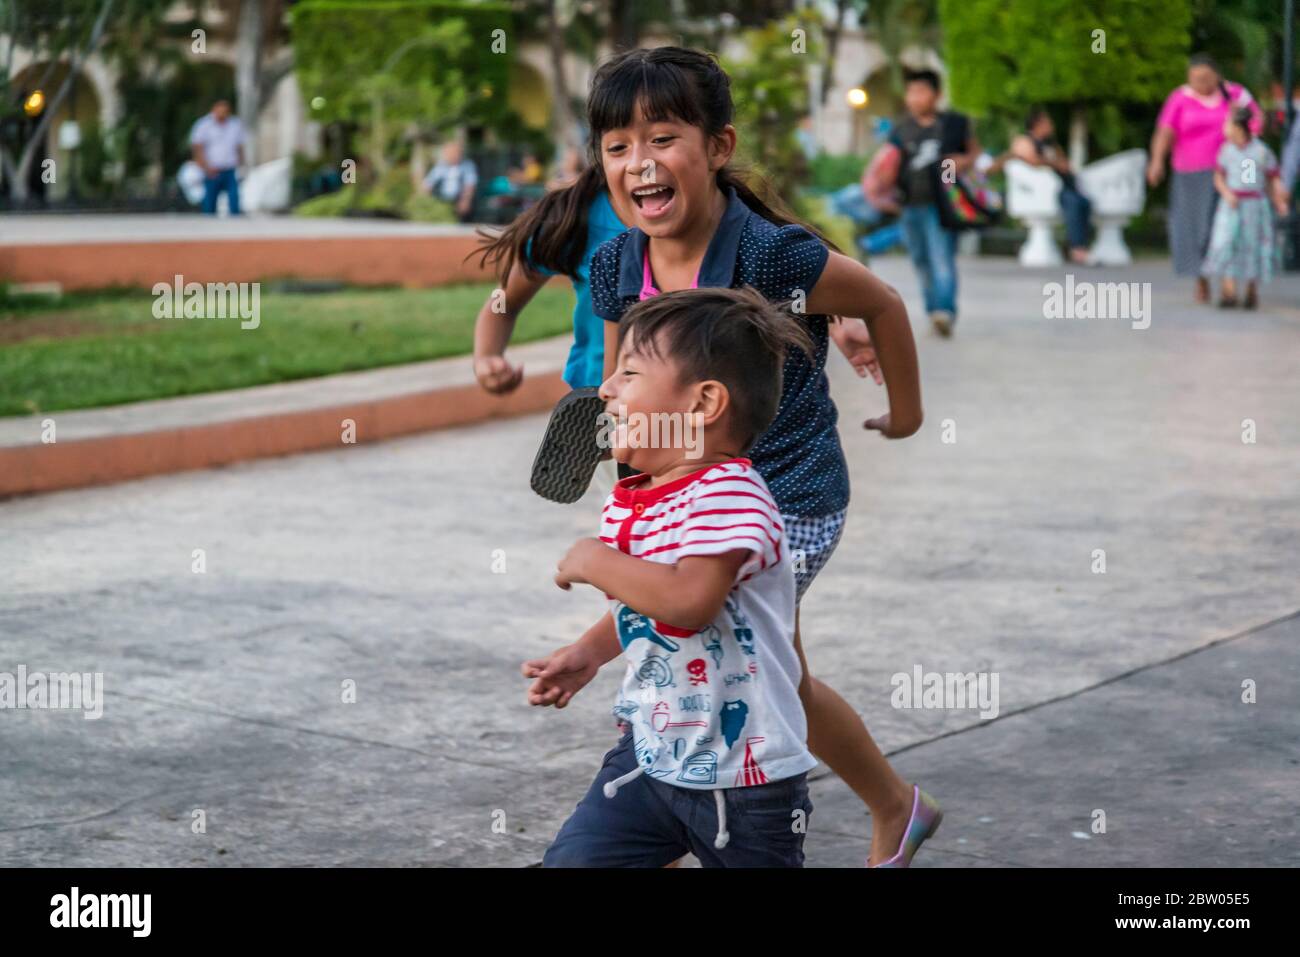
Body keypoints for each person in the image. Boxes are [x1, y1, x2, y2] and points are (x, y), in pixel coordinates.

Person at [572, 47, 938, 867]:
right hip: (686, 493)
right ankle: (894, 806)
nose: (640, 163)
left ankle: (669, 818)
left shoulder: (772, 255)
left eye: (663, 138)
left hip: (789, 493)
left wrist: (906, 416)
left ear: (719, 147)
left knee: (699, 640)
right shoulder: (614, 266)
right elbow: (616, 389)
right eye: (618, 146)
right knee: (776, 675)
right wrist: (635, 495)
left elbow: (878, 299)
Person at [531, 287, 822, 867]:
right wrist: (591, 651)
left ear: (703, 402)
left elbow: (689, 601)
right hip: (648, 756)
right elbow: (647, 602)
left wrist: (595, 558)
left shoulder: (729, 494)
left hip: (745, 780)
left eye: (629, 373)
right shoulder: (634, 498)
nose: (607, 388)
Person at [1148, 53, 1263, 303]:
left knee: (1223, 228)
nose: (1199, 83)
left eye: (1205, 78)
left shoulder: (1235, 94)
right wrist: (1157, 161)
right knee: (1192, 230)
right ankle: (1201, 279)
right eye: (1195, 78)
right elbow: (1165, 131)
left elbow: (1255, 125)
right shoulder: (1180, 97)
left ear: (1217, 76)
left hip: (1227, 172)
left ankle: (1227, 283)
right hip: (1189, 173)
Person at [885, 68, 980, 338]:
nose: (914, 97)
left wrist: (961, 162)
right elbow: (888, 165)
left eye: (921, 91)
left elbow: (973, 153)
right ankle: (933, 310)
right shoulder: (901, 129)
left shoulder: (952, 124)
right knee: (921, 259)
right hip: (909, 204)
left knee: (942, 258)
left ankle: (945, 311)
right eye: (911, 92)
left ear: (936, 95)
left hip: (942, 205)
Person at [1200, 107, 1287, 309]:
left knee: (1251, 244)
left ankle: (1250, 290)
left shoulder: (1258, 151)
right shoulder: (1227, 150)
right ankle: (1228, 289)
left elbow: (1271, 178)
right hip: (1231, 206)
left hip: (1253, 206)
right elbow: (1219, 177)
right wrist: (1227, 193)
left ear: (1238, 126)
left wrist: (1279, 199)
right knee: (1226, 243)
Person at [1011, 108, 1093, 264]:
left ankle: (1079, 246)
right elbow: (1030, 160)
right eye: (1047, 121)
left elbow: (1065, 163)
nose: (1051, 125)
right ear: (1037, 123)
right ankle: (1077, 249)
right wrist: (1053, 163)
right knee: (1073, 202)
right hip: (1046, 191)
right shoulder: (1025, 141)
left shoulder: (1051, 143)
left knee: (1084, 202)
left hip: (1065, 186)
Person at [189, 99, 245, 216]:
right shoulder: (204, 125)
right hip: (211, 169)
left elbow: (239, 146)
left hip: (229, 169)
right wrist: (204, 166)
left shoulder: (234, 125)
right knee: (210, 203)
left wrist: (241, 163)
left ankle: (236, 227)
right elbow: (197, 147)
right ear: (214, 110)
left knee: (234, 200)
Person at [421, 140, 478, 222]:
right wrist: (425, 199)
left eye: (453, 153)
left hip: (459, 200)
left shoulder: (467, 165)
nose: (449, 156)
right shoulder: (441, 166)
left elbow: (470, 185)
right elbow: (428, 182)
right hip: (442, 199)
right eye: (447, 153)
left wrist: (465, 201)